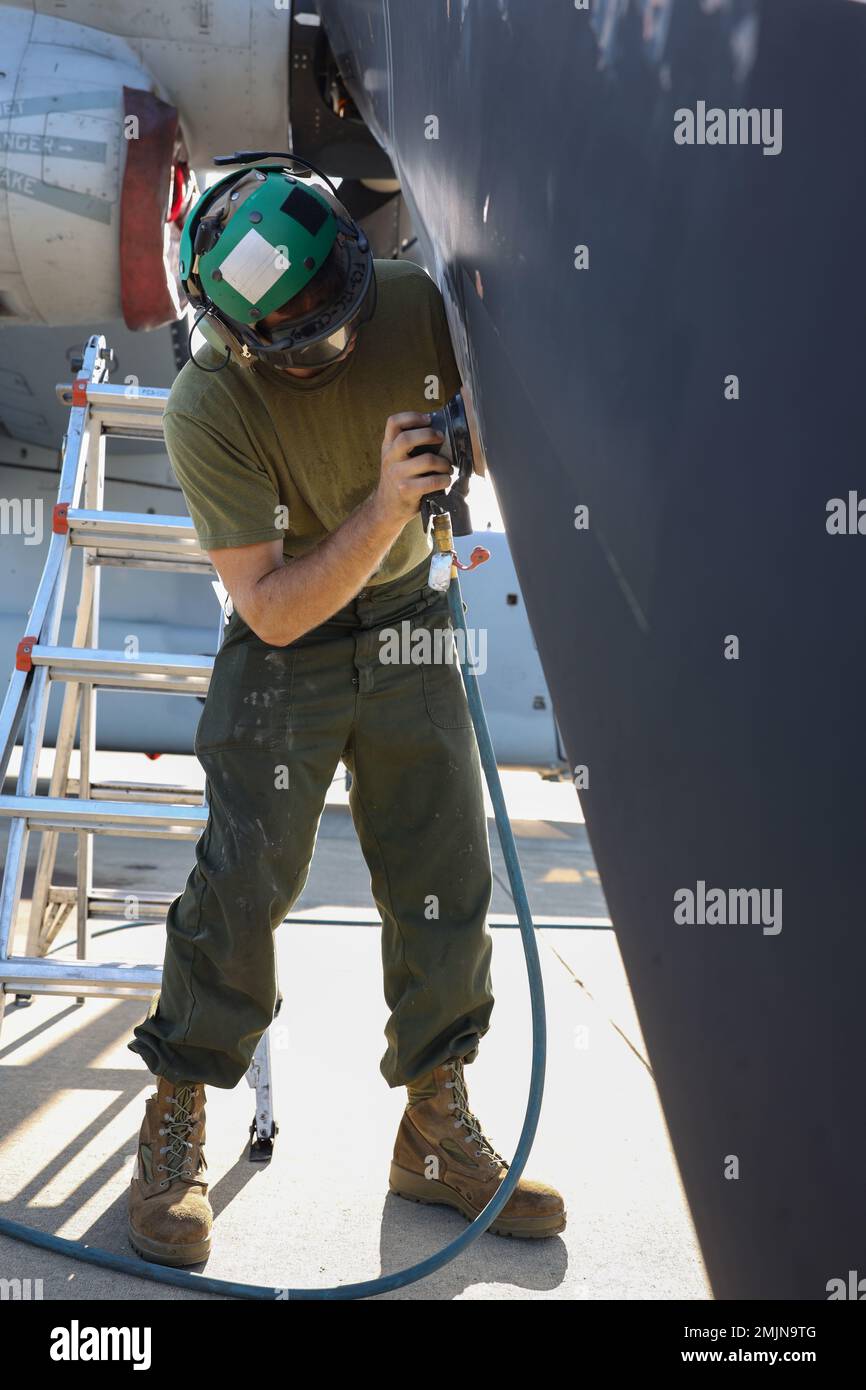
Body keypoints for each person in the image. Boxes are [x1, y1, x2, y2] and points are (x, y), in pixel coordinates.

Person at [126, 157, 565, 1266]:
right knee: (244, 878)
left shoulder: (408, 303)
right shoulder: (210, 404)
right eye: (306, 341)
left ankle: (433, 1125)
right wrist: (383, 503)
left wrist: (475, 438)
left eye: (344, 319)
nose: (335, 343)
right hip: (293, 646)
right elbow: (270, 607)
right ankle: (177, 1115)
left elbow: (510, 417)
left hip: (412, 617)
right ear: (239, 336)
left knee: (444, 872)